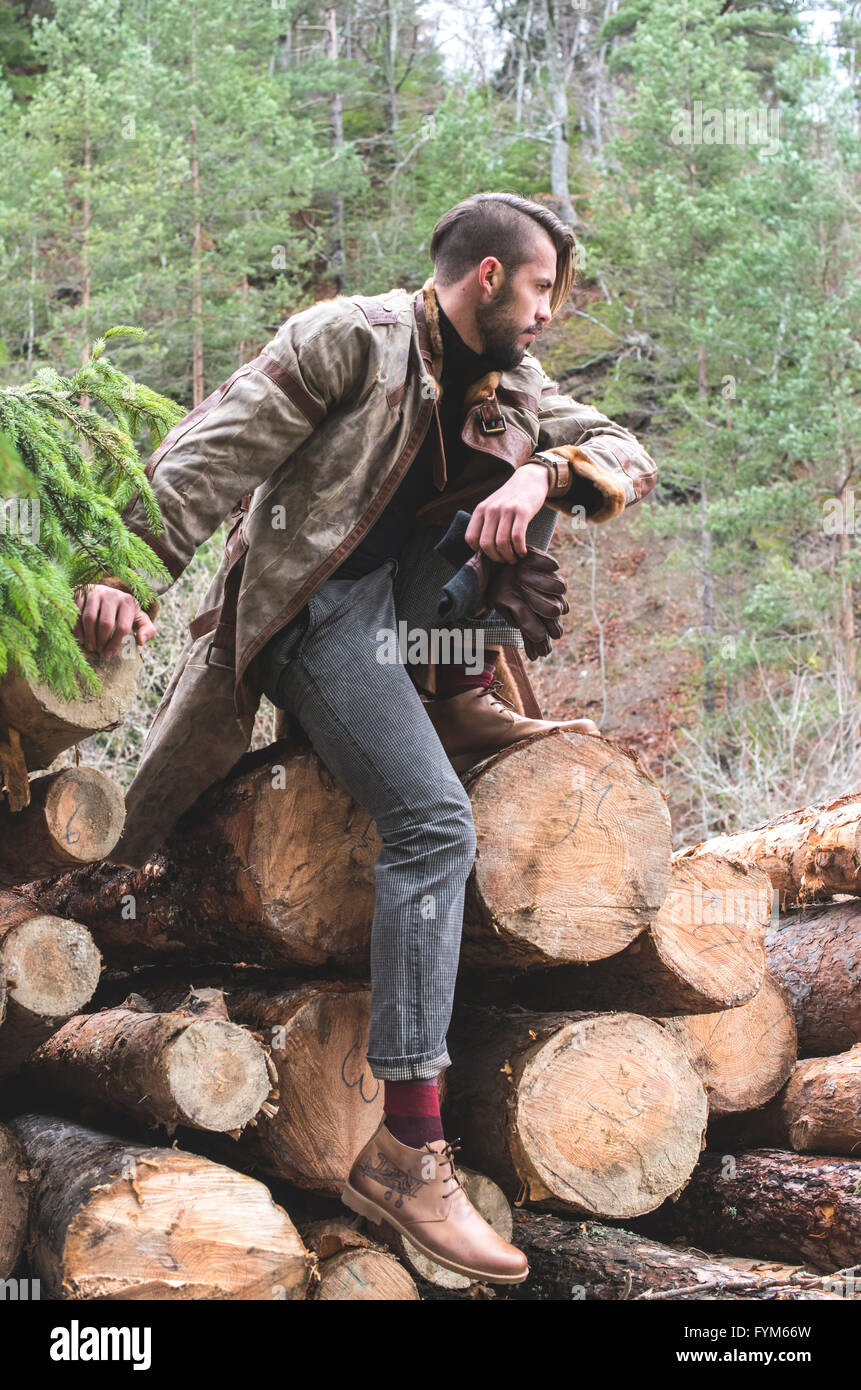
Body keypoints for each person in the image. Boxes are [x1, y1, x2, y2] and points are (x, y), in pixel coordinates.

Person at [74, 193, 658, 1284]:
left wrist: (542, 469)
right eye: (538, 293)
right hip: (319, 613)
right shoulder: (354, 337)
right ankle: (408, 1147)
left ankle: (458, 686)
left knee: (534, 490)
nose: (545, 318)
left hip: (418, 629)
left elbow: (624, 450)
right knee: (434, 825)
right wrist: (124, 571)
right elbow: (216, 449)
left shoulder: (509, 387)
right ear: (487, 276)